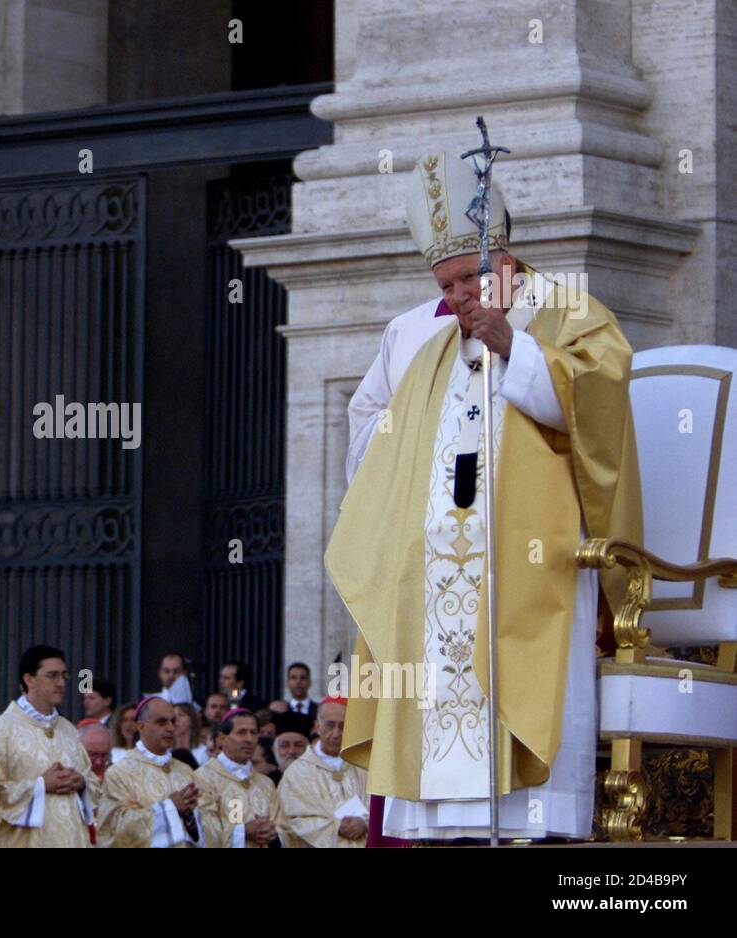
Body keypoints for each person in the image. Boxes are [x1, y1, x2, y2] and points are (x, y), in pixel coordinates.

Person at [330, 150, 641, 842]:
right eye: (446, 283)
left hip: (537, 568)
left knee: (526, 803)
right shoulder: (432, 342)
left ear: (504, 257)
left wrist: (519, 351)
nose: (459, 295)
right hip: (438, 580)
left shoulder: (567, 310)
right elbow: (385, 449)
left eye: (470, 277)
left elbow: (605, 406)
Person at [0, 645, 93, 848]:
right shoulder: (1, 730)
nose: (61, 683)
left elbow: (94, 784)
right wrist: (41, 785)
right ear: (28, 679)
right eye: (52, 676)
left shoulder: (69, 730)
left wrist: (81, 783)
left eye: (64, 676)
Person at [97, 696, 204, 848]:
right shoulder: (119, 773)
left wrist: (190, 817)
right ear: (141, 726)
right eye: (161, 722)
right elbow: (114, 830)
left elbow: (205, 827)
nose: (170, 728)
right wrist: (170, 808)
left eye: (173, 721)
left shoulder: (185, 771)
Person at [278, 698, 367, 848]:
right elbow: (291, 820)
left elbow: (381, 811)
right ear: (317, 726)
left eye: (343, 726)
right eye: (330, 725)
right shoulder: (297, 773)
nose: (336, 734)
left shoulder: (364, 768)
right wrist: (337, 826)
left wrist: (365, 822)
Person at [196, 709, 281, 848]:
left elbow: (281, 826)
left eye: (253, 733)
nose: (249, 739)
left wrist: (273, 833)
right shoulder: (203, 778)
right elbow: (203, 829)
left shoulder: (266, 783)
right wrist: (243, 831)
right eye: (241, 732)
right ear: (223, 739)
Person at [171, 702, 202, 769]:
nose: (176, 720)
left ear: (192, 719)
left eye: (181, 715)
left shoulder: (202, 751)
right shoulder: (166, 752)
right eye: (174, 716)